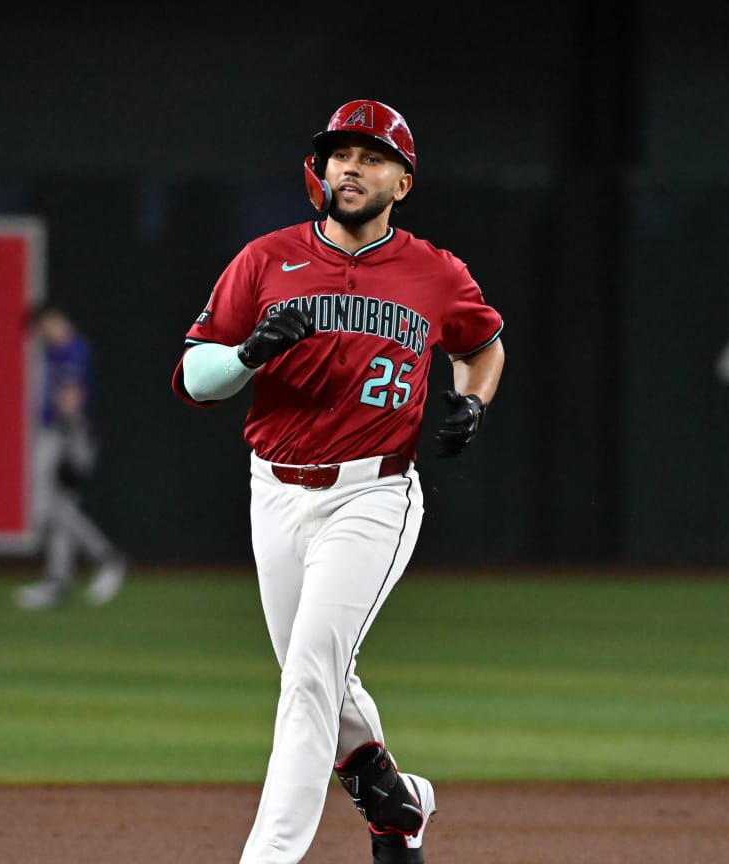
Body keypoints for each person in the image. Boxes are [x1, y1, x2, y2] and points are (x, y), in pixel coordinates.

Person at [170, 99, 505, 864]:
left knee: (309, 679)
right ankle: (396, 802)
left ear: (403, 181)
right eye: (339, 154)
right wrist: (249, 352)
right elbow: (194, 379)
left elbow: (483, 345)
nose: (350, 167)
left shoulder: (434, 270)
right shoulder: (265, 260)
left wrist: (475, 402)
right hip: (276, 492)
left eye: (371, 156)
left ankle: (269, 857)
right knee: (315, 673)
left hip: (373, 493)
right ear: (317, 170)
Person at [15, 304, 127, 610]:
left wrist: (70, 440)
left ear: (51, 321)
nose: (40, 335)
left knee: (49, 506)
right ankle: (58, 581)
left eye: (40, 328)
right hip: (63, 433)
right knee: (61, 507)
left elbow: (71, 398)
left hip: (65, 434)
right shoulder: (58, 351)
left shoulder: (71, 350)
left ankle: (106, 556)